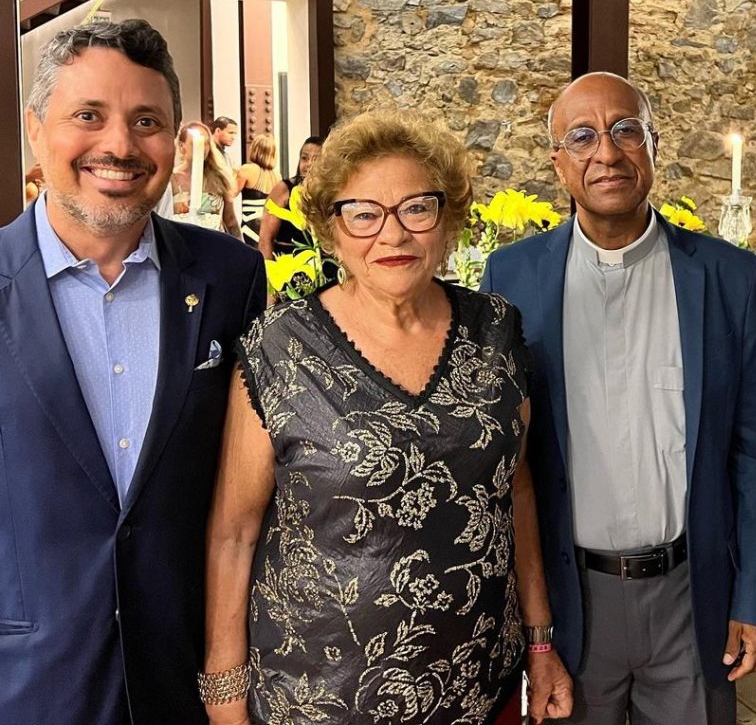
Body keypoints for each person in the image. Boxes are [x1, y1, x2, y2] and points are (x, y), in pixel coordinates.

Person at [202, 112, 573, 725]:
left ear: (448, 218)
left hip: (480, 687)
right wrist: (224, 695)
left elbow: (516, 491)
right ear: (332, 227)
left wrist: (539, 642)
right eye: (363, 213)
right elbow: (233, 534)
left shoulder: (495, 331)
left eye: (416, 208)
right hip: (315, 697)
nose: (392, 234)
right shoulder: (279, 347)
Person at [481, 72, 756, 725]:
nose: (607, 153)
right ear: (557, 162)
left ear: (654, 144)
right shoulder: (512, 277)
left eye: (626, 130)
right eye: (582, 137)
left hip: (691, 596)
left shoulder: (729, 278)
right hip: (572, 600)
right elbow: (506, 458)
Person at [0, 19, 266, 725]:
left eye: (146, 121)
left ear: (175, 141)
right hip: (27, 686)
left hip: (188, 682)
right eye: (88, 115)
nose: (119, 145)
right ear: (35, 129)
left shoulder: (230, 278)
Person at [172, 120, 241, 238]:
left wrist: (240, 246)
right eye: (194, 144)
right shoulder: (172, 179)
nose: (203, 148)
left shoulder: (219, 178)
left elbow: (230, 220)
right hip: (181, 242)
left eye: (206, 143)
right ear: (182, 146)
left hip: (214, 241)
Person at [258, 134, 323, 260]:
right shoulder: (283, 189)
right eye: (304, 158)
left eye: (316, 159)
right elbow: (265, 240)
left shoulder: (332, 193)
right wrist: (268, 269)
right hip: (289, 264)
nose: (309, 164)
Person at [236, 133, 281, 248]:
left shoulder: (247, 170)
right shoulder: (277, 176)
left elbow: (231, 193)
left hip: (250, 224)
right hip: (270, 224)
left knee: (252, 254)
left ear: (255, 149)